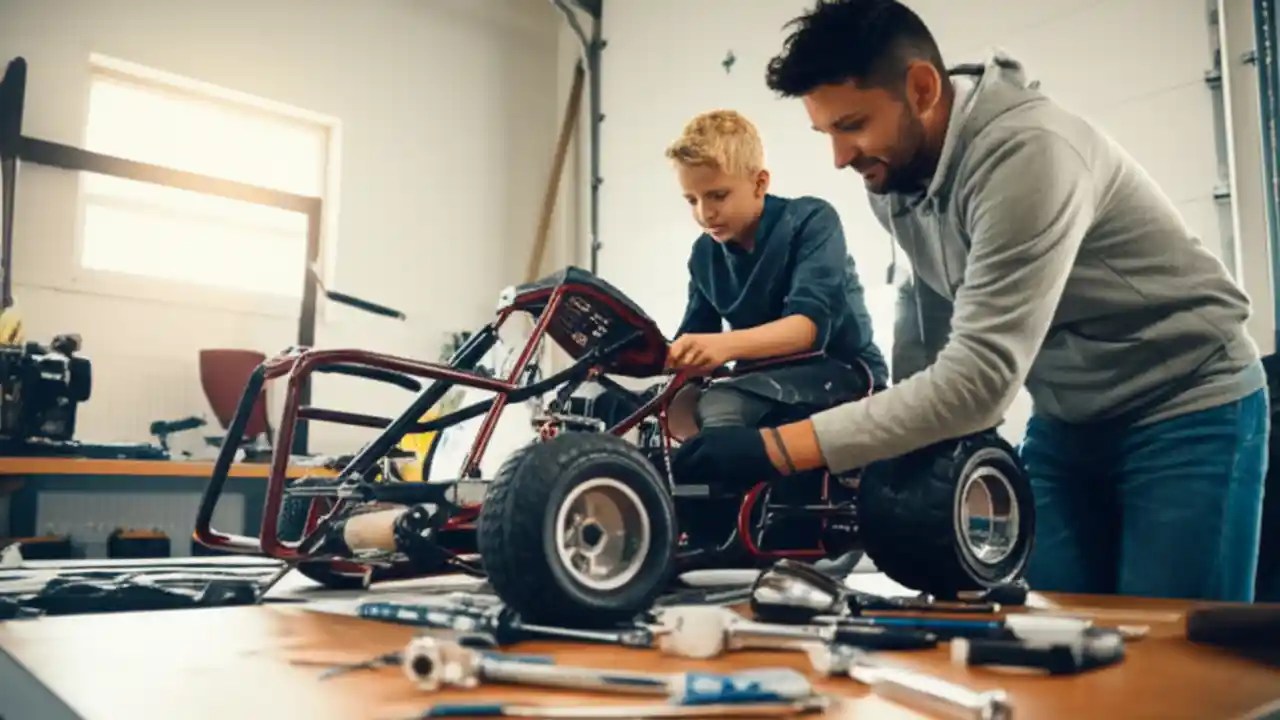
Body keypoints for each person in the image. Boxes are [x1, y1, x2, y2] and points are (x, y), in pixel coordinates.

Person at [673, 0, 1270, 603]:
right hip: (1068, 423)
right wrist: (894, 450)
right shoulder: (896, 175)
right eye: (826, 132)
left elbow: (981, 378)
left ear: (923, 88)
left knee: (1173, 648)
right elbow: (930, 319)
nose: (840, 157)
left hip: (1185, 404)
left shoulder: (1028, 154)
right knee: (1060, 631)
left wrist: (778, 447)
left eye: (852, 124)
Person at [662, 109, 888, 434]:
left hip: (843, 371)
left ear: (759, 183)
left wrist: (724, 346)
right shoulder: (703, 254)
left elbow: (808, 329)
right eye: (691, 200)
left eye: (717, 195)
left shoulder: (811, 220)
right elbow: (696, 336)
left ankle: (727, 483)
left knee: (721, 403)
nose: (704, 213)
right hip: (758, 380)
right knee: (664, 406)